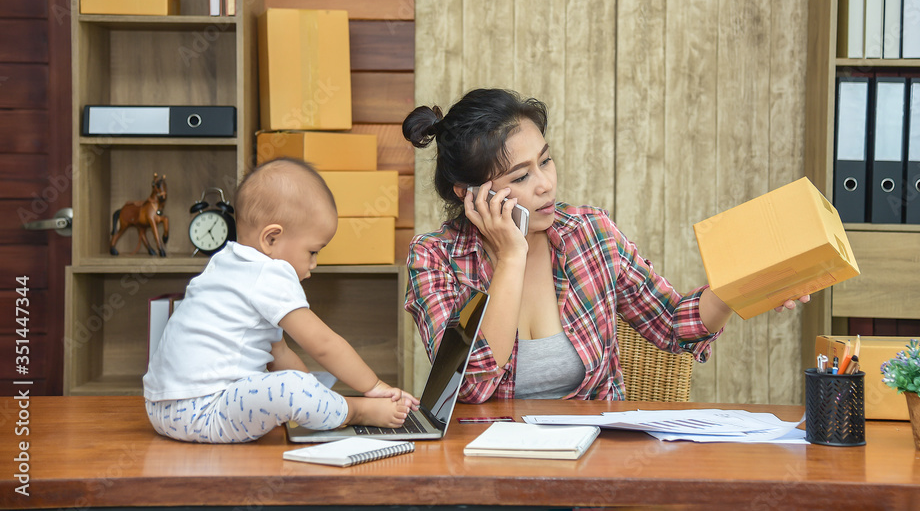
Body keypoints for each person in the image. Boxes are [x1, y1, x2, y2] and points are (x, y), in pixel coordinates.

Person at [402, 88, 808, 403]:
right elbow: (471, 384)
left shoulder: (588, 234)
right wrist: (511, 257)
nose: (545, 183)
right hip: (484, 472)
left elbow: (671, 322)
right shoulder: (434, 258)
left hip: (588, 466)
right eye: (520, 177)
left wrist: (746, 287)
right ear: (470, 194)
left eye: (545, 161)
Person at [143, 157, 418, 443]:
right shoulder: (269, 274)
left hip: (163, 408)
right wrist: (373, 386)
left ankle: (331, 406)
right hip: (205, 410)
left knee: (308, 383)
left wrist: (319, 398)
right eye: (313, 251)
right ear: (271, 239)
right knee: (294, 388)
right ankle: (355, 411)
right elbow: (323, 344)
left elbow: (278, 355)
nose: (313, 264)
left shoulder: (227, 263)